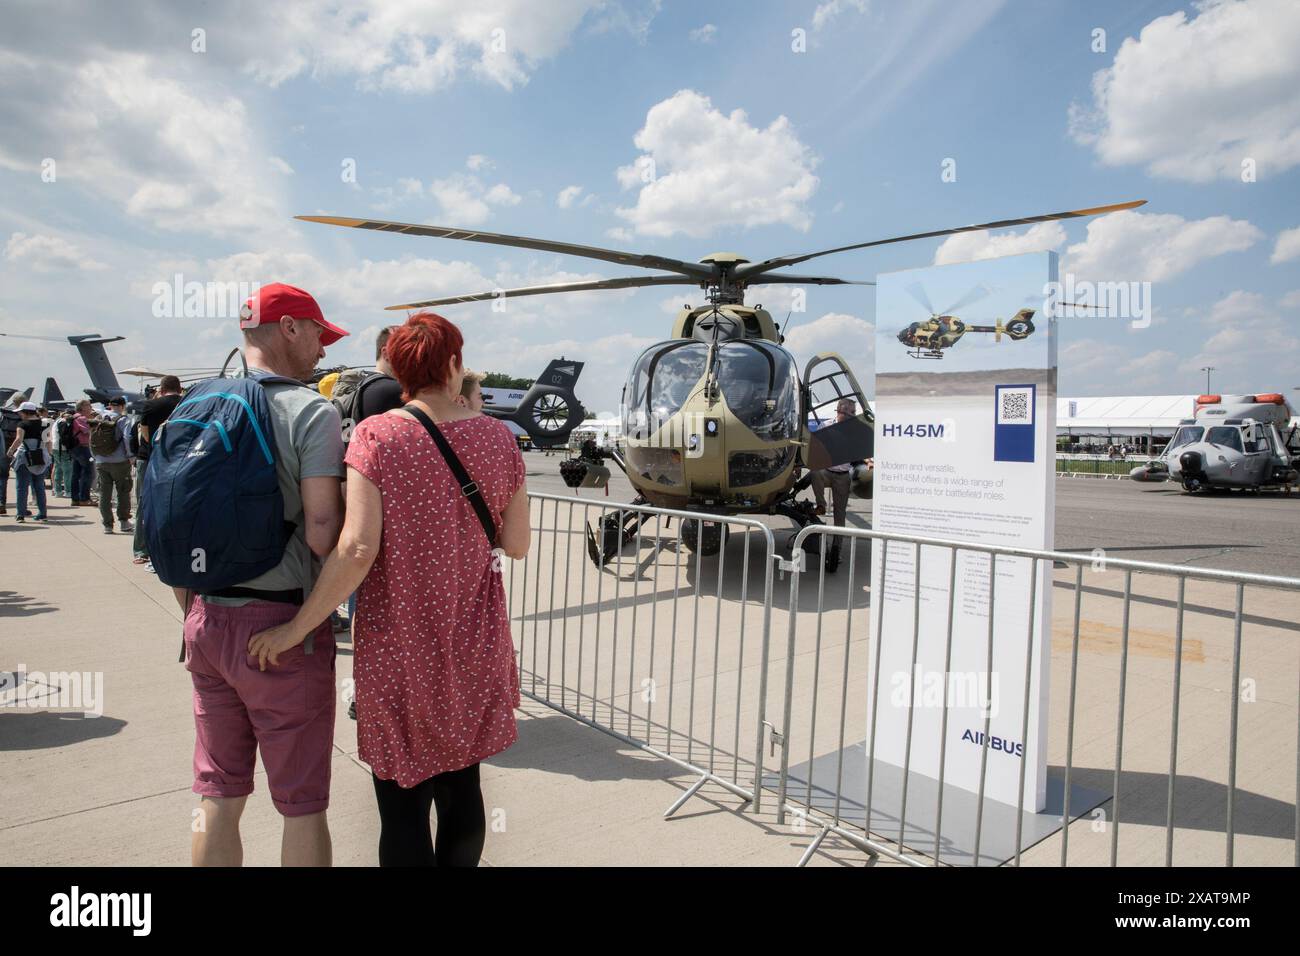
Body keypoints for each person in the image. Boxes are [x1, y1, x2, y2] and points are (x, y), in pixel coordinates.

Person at [248, 311, 530, 867]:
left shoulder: (378, 436)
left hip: (398, 648)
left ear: (399, 371)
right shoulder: (500, 438)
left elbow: (355, 548)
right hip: (471, 642)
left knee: (401, 805)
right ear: (453, 364)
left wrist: (296, 627)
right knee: (462, 788)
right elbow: (517, 545)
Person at [171, 283, 348, 867]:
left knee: (217, 791)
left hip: (207, 621)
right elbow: (323, 532)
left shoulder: (192, 403)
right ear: (290, 328)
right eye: (320, 333)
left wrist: (197, 612)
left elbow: (173, 525)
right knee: (301, 805)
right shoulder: (311, 411)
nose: (323, 350)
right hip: (282, 629)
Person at [132, 375, 183, 567]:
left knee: (143, 505)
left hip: (149, 457)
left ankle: (141, 549)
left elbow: (144, 434)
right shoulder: (186, 403)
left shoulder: (150, 406)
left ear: (161, 389)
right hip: (178, 458)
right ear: (179, 388)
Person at [810, 399, 859, 569]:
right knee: (814, 472)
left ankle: (837, 550)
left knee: (840, 515)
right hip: (826, 471)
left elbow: (860, 450)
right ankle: (821, 504)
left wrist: (869, 461)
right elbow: (815, 446)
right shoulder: (826, 426)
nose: (851, 415)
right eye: (848, 411)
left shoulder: (855, 431)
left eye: (853, 412)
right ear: (839, 411)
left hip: (842, 476)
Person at [91, 396, 135, 534]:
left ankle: (107, 525)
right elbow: (128, 438)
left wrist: (95, 456)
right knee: (123, 491)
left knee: (104, 493)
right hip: (120, 461)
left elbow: (91, 438)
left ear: (109, 405)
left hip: (101, 461)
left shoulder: (98, 418)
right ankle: (124, 522)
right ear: (123, 406)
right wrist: (131, 456)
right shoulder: (124, 420)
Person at [7, 402, 51, 522]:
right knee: (39, 486)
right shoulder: (45, 423)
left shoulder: (22, 424)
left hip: (24, 457)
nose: (20, 414)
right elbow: (48, 441)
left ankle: (20, 514)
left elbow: (19, 439)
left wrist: (11, 450)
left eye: (21, 412)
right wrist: (49, 455)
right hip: (40, 457)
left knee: (21, 487)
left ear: (25, 412)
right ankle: (42, 513)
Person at [70, 399, 95, 506]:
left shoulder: (73, 417)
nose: (90, 407)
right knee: (88, 472)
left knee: (76, 473)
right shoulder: (82, 418)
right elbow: (87, 430)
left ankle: (75, 498)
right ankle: (84, 498)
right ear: (83, 407)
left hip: (74, 448)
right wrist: (94, 421)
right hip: (82, 448)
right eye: (88, 405)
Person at [52, 409, 75, 498]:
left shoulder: (57, 421)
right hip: (63, 449)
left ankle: (57, 491)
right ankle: (68, 491)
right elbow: (65, 436)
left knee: (58, 469)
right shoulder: (64, 422)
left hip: (55, 447)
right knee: (67, 471)